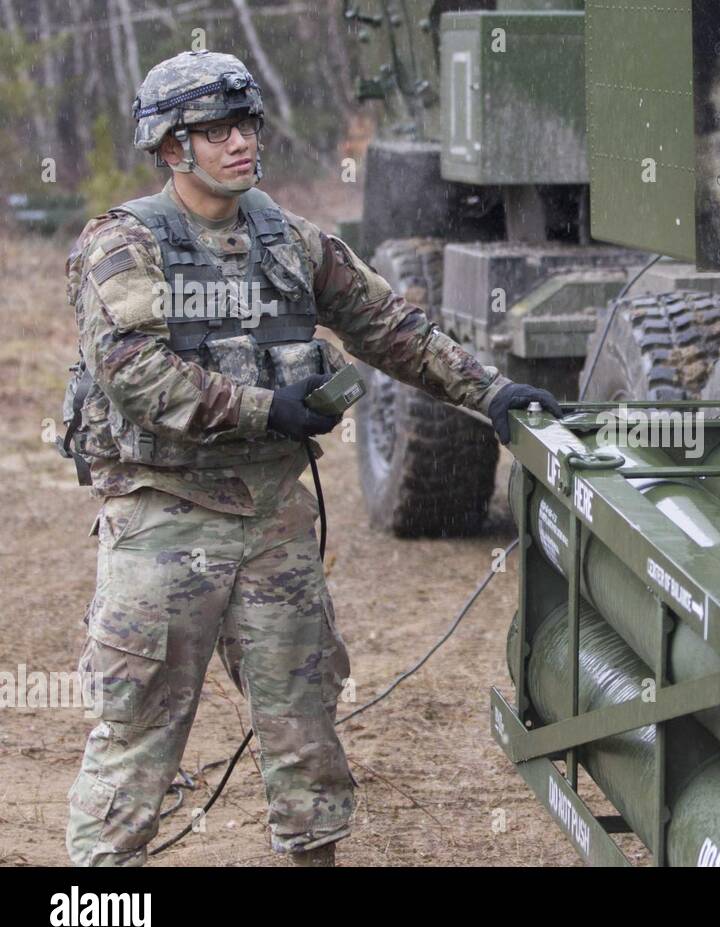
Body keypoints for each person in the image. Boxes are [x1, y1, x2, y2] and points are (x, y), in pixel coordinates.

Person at [61, 50, 561, 867]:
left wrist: (493, 394)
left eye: (247, 125)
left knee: (305, 724)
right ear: (171, 148)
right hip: (164, 518)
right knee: (139, 729)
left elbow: (393, 329)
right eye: (215, 130)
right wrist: (266, 407)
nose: (239, 144)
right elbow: (132, 376)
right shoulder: (125, 244)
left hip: (272, 521)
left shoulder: (290, 241)